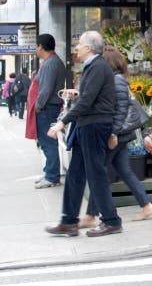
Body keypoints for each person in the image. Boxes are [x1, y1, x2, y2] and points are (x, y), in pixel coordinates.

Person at [45, 31, 123, 237]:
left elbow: (88, 101)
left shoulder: (97, 67)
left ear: (88, 48)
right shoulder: (93, 67)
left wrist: (62, 122)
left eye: (79, 44)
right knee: (75, 174)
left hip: (94, 125)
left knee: (96, 173)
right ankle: (69, 221)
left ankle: (111, 221)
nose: (76, 48)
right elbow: (89, 97)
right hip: (87, 124)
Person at [79, 46, 152, 229]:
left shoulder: (116, 81)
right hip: (119, 135)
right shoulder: (116, 80)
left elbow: (120, 110)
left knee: (99, 173)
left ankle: (91, 215)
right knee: (123, 171)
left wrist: (113, 133)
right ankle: (146, 206)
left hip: (115, 135)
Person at [33, 34, 67, 189]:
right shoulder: (52, 62)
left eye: (36, 46)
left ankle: (52, 176)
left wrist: (38, 105)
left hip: (47, 108)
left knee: (48, 142)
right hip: (49, 107)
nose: (36, 49)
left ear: (41, 47)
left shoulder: (51, 63)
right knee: (47, 142)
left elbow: (46, 89)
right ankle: (49, 172)